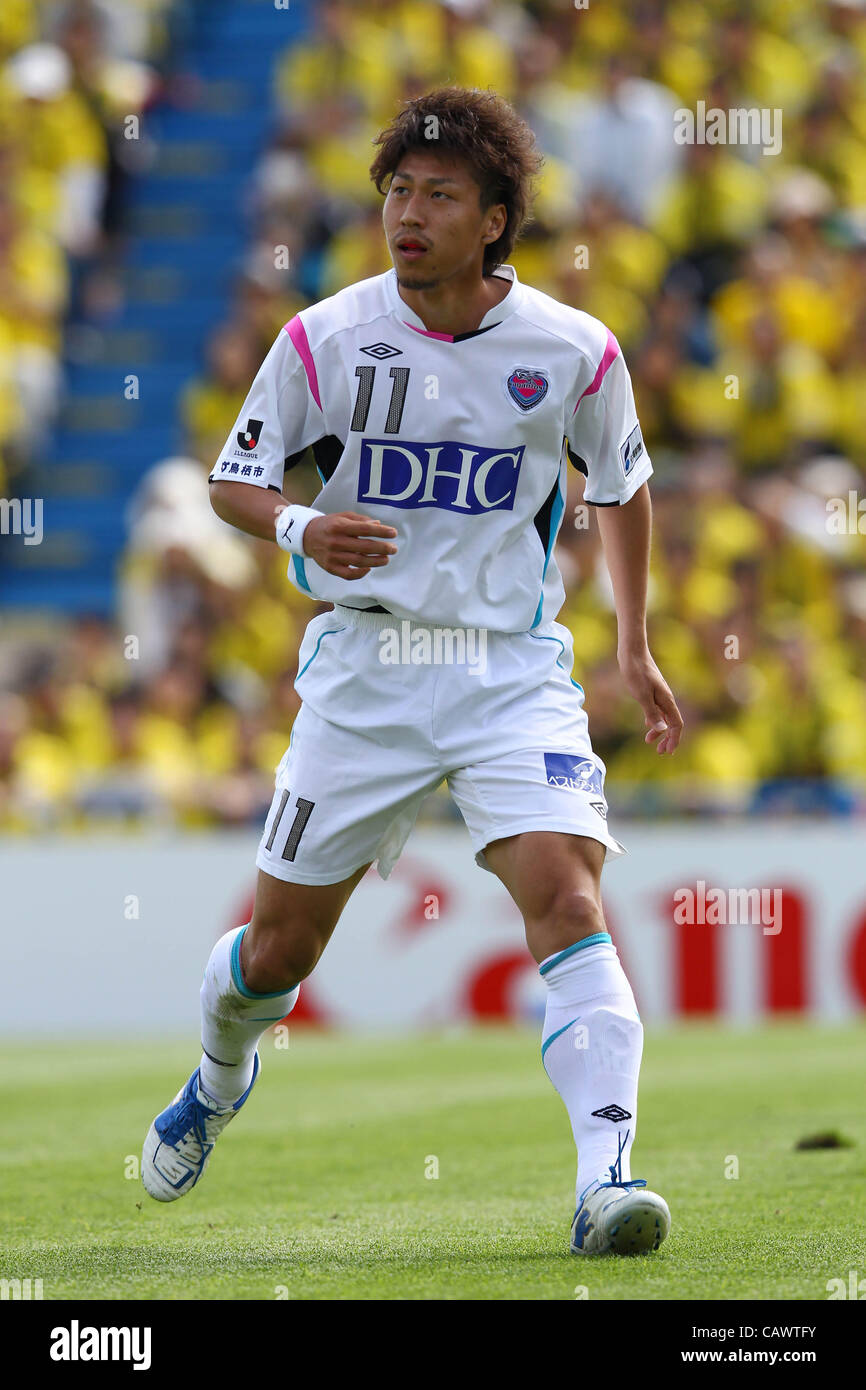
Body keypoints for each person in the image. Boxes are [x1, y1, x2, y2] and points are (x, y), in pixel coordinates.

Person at [141, 87, 684, 1257]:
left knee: (568, 899)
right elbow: (233, 479)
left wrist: (633, 643)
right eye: (397, 191)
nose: (409, 212)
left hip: (506, 670)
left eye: (439, 195)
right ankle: (217, 1077)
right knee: (276, 955)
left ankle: (606, 1182)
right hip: (366, 674)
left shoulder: (575, 350)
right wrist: (298, 529)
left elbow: (624, 485)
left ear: (494, 219)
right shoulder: (323, 337)